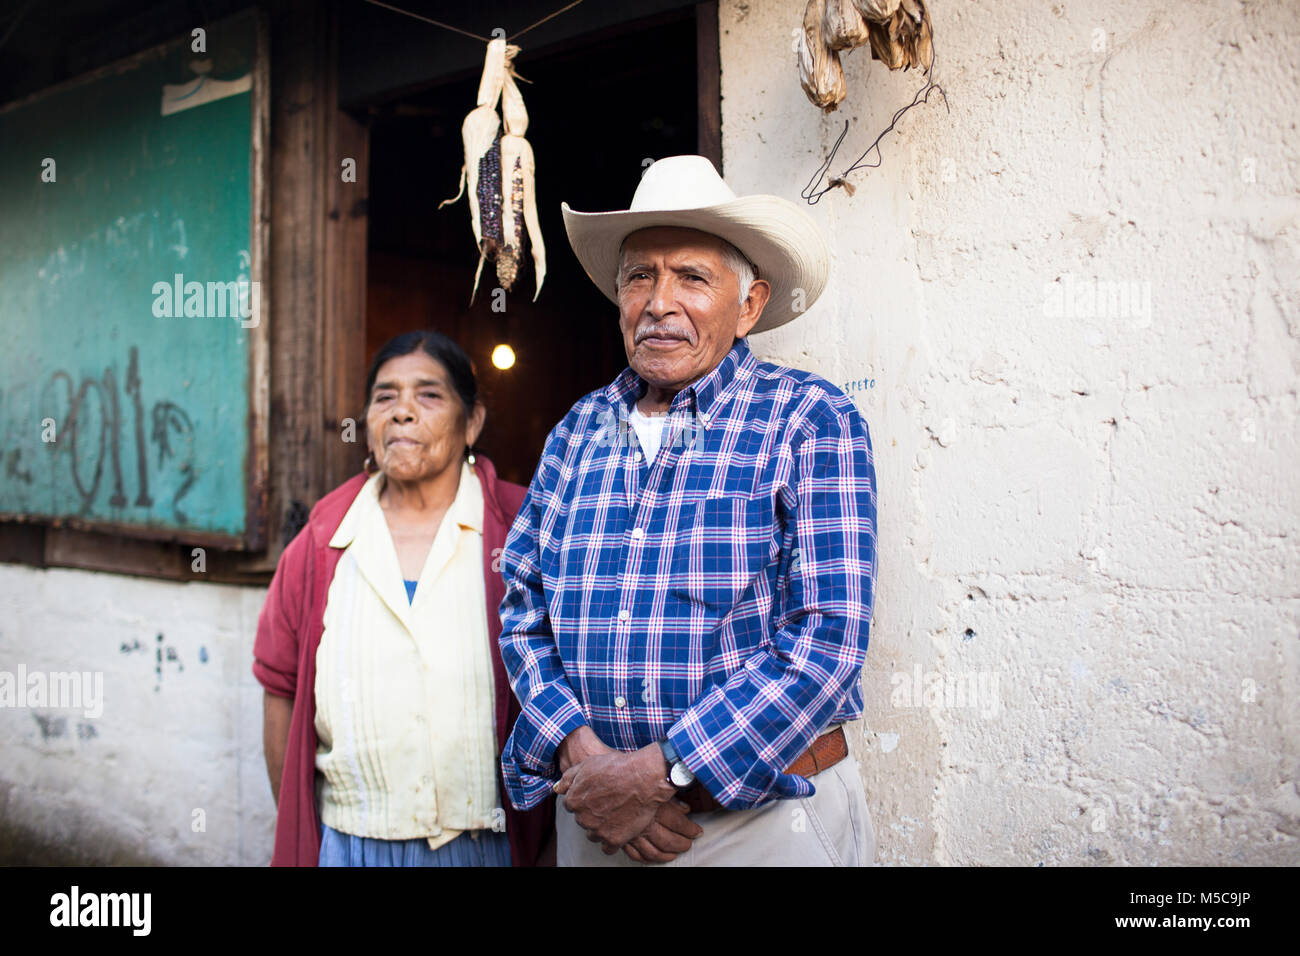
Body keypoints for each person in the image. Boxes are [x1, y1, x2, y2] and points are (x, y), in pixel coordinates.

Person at [497, 155, 879, 866]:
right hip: (598, 823)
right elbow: (522, 607)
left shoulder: (807, 420)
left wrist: (660, 773)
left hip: (759, 830)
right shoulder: (578, 432)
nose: (659, 302)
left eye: (693, 277)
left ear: (751, 305)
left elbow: (828, 639)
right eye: (640, 275)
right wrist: (583, 753)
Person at [253, 330, 553, 866]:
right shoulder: (321, 543)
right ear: (368, 422)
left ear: (473, 422)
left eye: (430, 395)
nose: (402, 412)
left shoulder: (524, 529)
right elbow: (280, 686)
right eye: (385, 397)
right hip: (349, 843)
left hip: (485, 845)